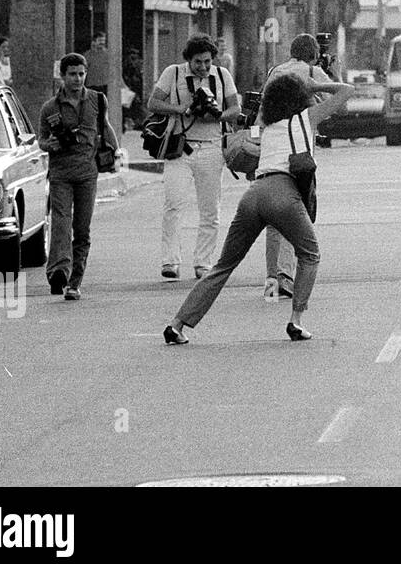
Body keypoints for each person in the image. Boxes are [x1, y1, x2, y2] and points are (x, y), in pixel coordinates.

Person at [163, 73, 356, 344]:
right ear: (301, 98)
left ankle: (178, 324)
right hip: (283, 193)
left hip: (253, 195)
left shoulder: (266, 125)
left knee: (224, 264)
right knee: (310, 254)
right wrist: (316, 85)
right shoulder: (307, 118)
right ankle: (296, 320)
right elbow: (347, 91)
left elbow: (251, 139)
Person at [148, 34, 241, 281]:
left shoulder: (222, 76)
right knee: (173, 204)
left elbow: (236, 109)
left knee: (211, 209)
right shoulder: (173, 73)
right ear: (188, 59)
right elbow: (153, 102)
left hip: (212, 147)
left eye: (207, 62)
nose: (202, 67)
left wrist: (218, 115)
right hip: (181, 147)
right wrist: (180, 108)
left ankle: (203, 263)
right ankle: (170, 261)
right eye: (197, 62)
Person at [37, 53, 118, 300]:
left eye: (81, 74)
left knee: (82, 229)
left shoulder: (96, 100)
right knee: (61, 223)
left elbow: (105, 128)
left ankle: (75, 281)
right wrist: (49, 143)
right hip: (61, 174)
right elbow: (41, 140)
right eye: (72, 74)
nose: (78, 79)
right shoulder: (50, 107)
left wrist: (114, 154)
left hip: (87, 174)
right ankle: (58, 272)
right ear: (63, 76)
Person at [259, 34, 331, 300]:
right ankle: (286, 277)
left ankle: (271, 281)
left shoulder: (275, 71)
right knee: (294, 212)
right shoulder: (312, 71)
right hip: (298, 152)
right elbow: (339, 105)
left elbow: (261, 114)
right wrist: (327, 77)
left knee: (272, 221)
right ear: (314, 54)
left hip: (271, 149)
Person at [84, 32, 109, 99]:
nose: (102, 43)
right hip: (92, 85)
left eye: (103, 40)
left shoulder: (108, 54)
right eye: (100, 40)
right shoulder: (88, 55)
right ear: (94, 42)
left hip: (105, 85)